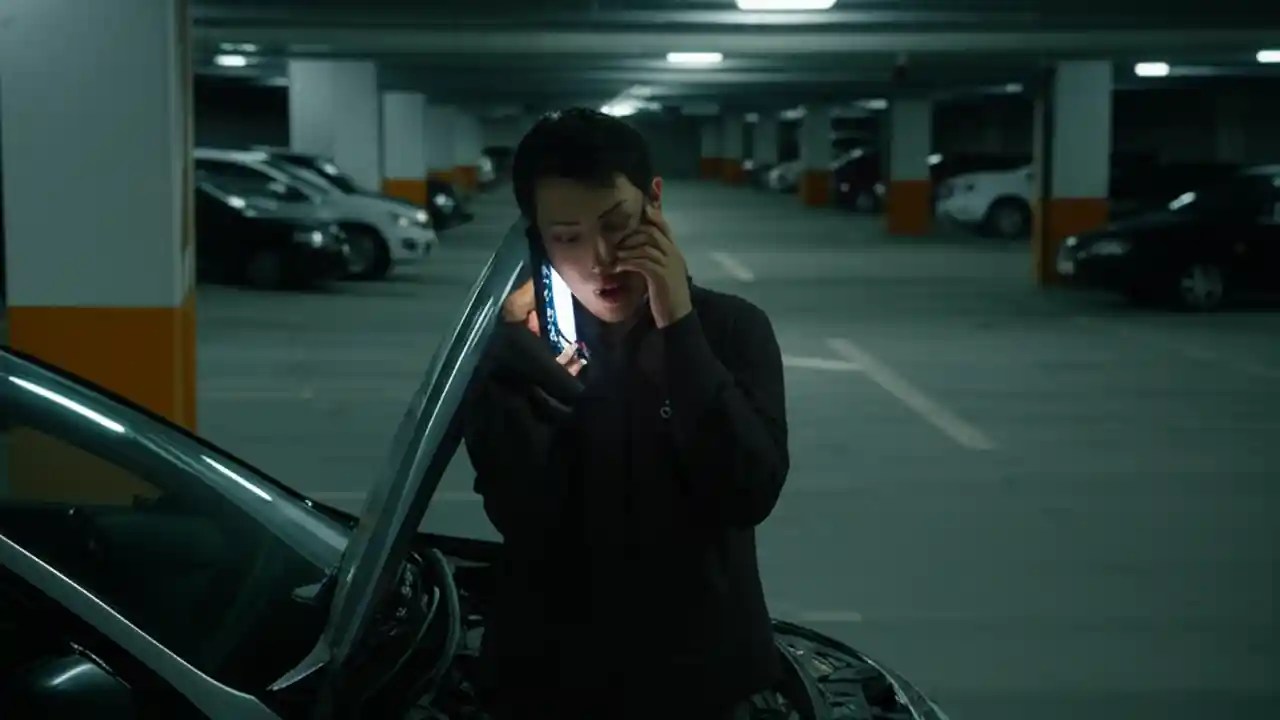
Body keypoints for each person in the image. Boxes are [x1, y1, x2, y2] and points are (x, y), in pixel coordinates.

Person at [463, 108, 789, 720]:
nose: (602, 257)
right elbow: (523, 515)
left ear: (654, 202)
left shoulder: (732, 329)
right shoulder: (517, 351)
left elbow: (747, 490)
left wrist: (679, 326)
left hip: (706, 683)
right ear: (537, 238)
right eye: (567, 238)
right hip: (551, 682)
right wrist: (528, 376)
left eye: (618, 224)